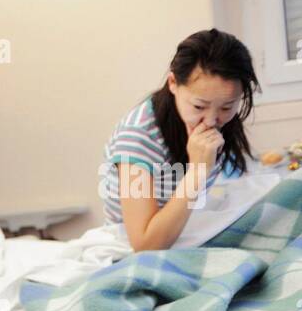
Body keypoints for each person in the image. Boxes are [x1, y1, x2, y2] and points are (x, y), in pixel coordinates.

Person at [100, 28, 259, 250]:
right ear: (173, 83)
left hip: (188, 229)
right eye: (199, 106)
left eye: (226, 106)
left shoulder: (217, 120)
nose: (211, 121)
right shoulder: (137, 137)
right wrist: (197, 172)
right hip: (137, 248)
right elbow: (145, 244)